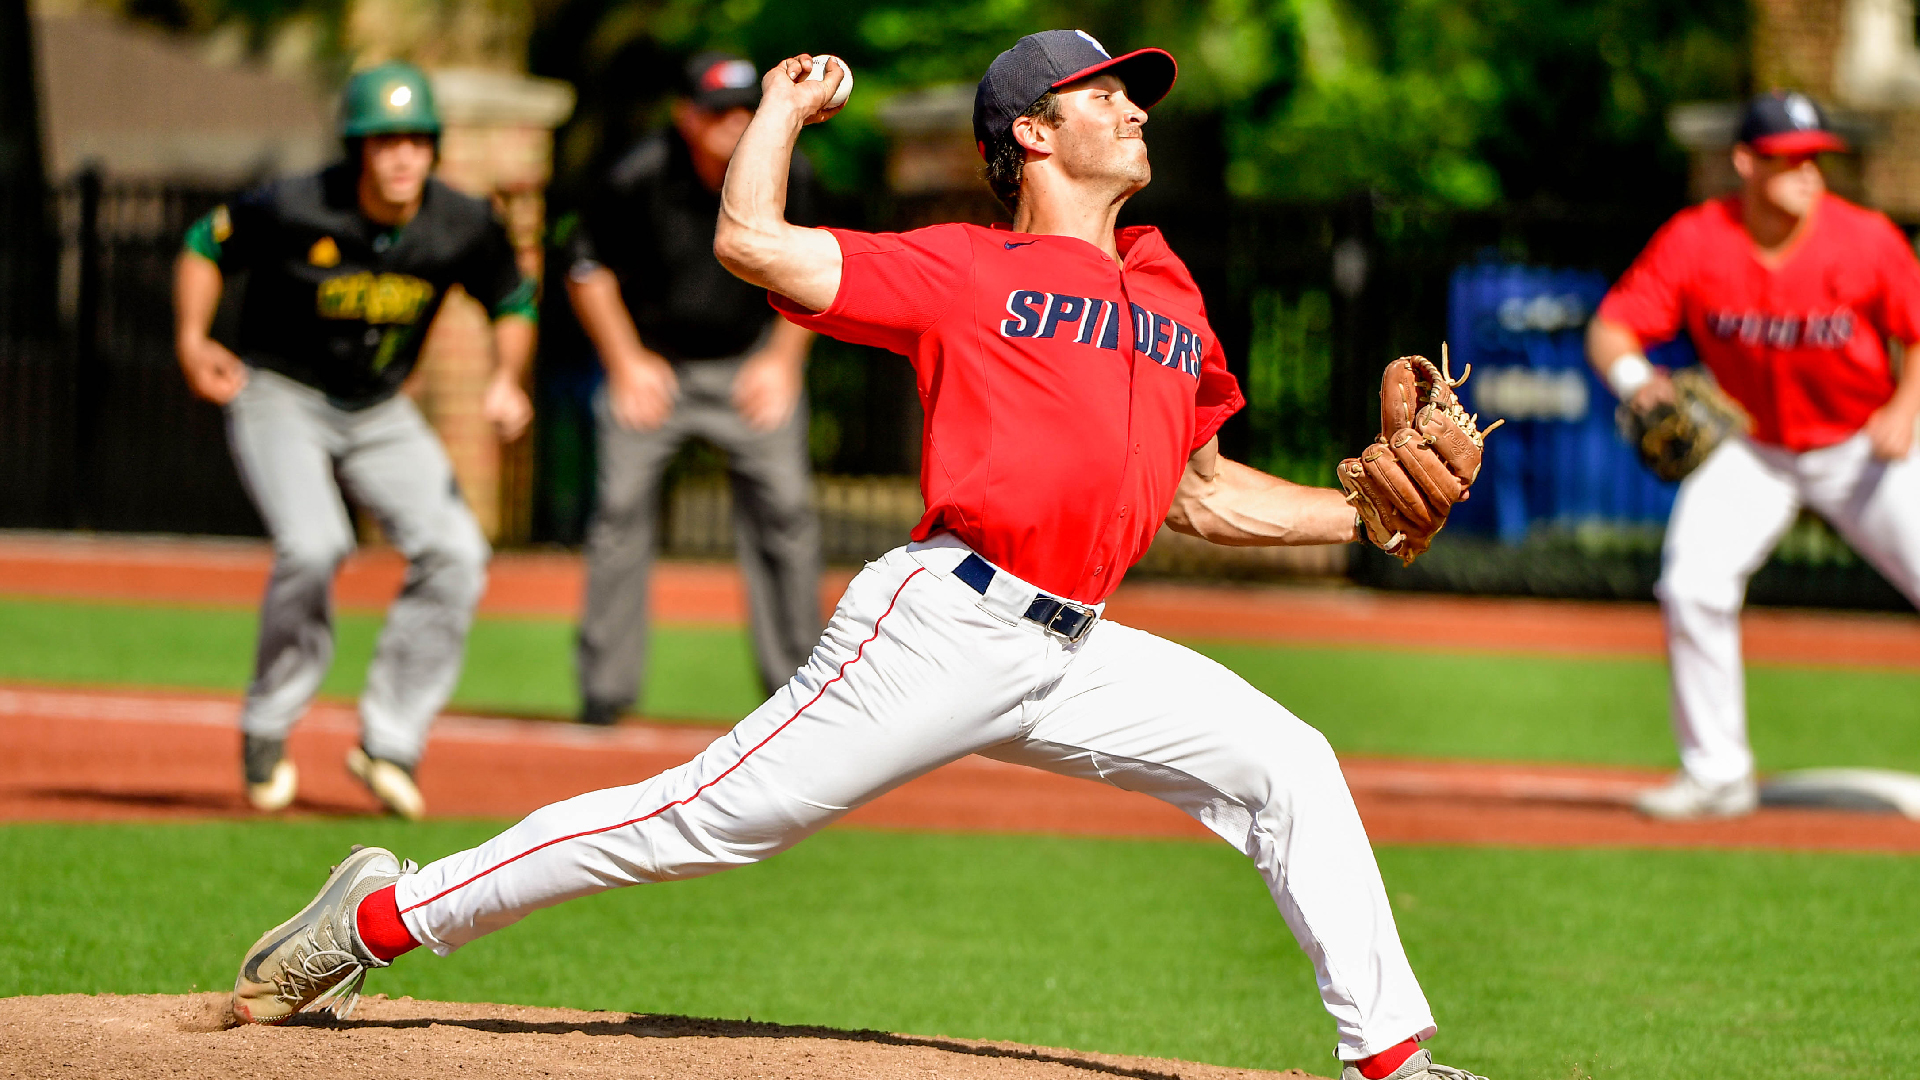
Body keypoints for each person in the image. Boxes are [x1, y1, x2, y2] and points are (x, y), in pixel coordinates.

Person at [228, 33, 1487, 1080]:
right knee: (706, 818)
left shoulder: (1169, 293)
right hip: (947, 621)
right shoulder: (960, 268)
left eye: (1130, 91)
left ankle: (1396, 1066)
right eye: (1100, 91)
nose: (1128, 105)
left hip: (1078, 645)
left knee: (1288, 765)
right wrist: (777, 110)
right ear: (1033, 136)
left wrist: (1361, 517)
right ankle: (379, 917)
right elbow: (755, 244)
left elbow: (1202, 493)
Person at [174, 61, 537, 820]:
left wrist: (506, 378)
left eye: (415, 140)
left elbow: (513, 296)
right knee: (314, 545)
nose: (402, 156)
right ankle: (268, 727)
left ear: (434, 148)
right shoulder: (296, 203)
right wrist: (190, 336)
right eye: (383, 141)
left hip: (378, 409)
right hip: (282, 393)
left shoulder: (461, 222)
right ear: (357, 149)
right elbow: (205, 243)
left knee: (458, 553)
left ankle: (390, 743)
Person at [1588, 90, 1920, 819]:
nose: (1808, 174)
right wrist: (1638, 382)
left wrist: (1906, 406)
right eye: (1787, 160)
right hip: (1755, 449)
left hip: (1862, 444)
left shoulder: (1864, 239)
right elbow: (1612, 327)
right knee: (1692, 585)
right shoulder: (1697, 239)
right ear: (1744, 161)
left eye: (1816, 159)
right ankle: (1717, 775)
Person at [563, 51, 823, 726]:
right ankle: (604, 691)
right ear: (686, 117)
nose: (733, 124)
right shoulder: (637, 175)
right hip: (656, 367)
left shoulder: (793, 172)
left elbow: (827, 268)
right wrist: (625, 362)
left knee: (788, 514)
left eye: (745, 109)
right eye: (717, 112)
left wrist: (783, 361)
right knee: (618, 513)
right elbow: (586, 267)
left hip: (751, 363)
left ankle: (797, 692)